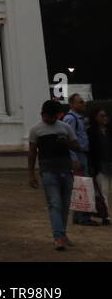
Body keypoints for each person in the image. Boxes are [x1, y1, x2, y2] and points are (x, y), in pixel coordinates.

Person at [28, 98, 80, 250]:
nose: (49, 119)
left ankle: (62, 235)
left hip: (65, 169)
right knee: (55, 203)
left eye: (52, 116)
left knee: (64, 205)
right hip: (48, 171)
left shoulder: (65, 127)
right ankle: (58, 236)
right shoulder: (36, 130)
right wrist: (31, 174)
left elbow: (77, 146)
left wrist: (67, 143)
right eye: (47, 116)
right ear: (42, 114)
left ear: (57, 115)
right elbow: (32, 153)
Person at [62, 95, 96, 226]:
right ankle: (82, 217)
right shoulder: (71, 119)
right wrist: (74, 159)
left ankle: (80, 216)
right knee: (83, 185)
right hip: (78, 155)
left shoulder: (77, 119)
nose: (84, 104)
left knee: (81, 185)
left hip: (82, 154)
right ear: (72, 104)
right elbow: (68, 140)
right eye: (80, 102)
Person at [89, 108, 111, 225]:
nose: (104, 118)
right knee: (103, 191)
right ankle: (104, 215)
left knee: (104, 191)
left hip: (108, 164)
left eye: (105, 115)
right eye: (101, 116)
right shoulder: (92, 132)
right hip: (100, 165)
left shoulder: (108, 131)